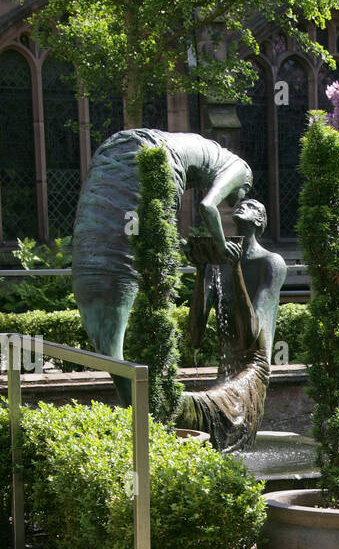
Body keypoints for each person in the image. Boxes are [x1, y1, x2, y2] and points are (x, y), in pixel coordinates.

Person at [72, 128, 253, 402]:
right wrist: (220, 244)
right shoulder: (239, 169)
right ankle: (144, 411)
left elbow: (151, 222)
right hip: (155, 155)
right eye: (242, 194)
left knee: (138, 237)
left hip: (123, 150)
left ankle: (136, 406)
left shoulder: (200, 154)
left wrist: (180, 243)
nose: (238, 200)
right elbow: (207, 206)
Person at [176, 197, 287, 453]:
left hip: (252, 370)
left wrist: (235, 270)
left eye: (250, 205)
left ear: (260, 221)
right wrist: (202, 270)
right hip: (226, 372)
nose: (240, 206)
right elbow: (195, 335)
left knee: (194, 407)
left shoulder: (271, 263)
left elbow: (251, 335)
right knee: (190, 414)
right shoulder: (220, 264)